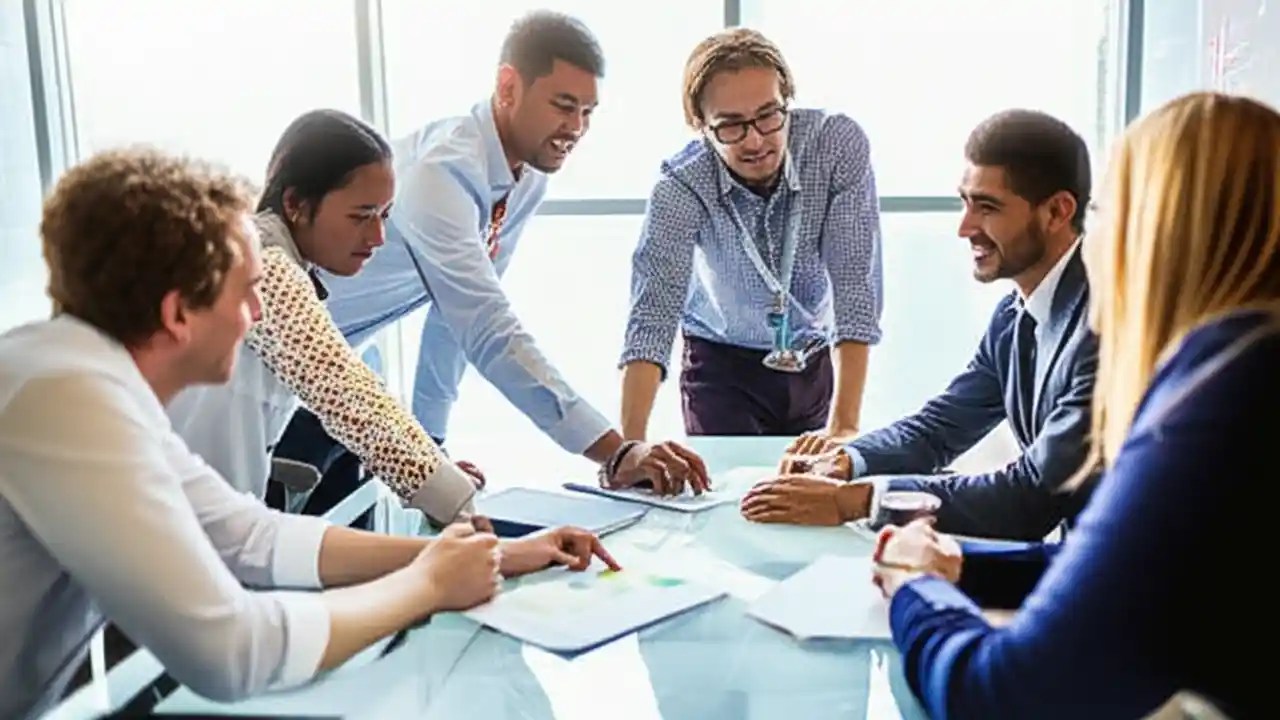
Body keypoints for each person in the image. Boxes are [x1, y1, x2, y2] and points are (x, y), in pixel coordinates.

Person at [0, 148, 616, 719]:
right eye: (247, 294)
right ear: (177, 313)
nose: (261, 315)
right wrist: (425, 586)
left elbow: (248, 534)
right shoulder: (66, 397)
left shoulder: (85, 383)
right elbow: (231, 651)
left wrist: (496, 554)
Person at [870, 90, 1273, 720]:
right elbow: (1133, 571)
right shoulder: (1248, 363)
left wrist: (915, 589)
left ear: (1164, 232)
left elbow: (1002, 695)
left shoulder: (1224, 392)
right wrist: (958, 566)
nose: (1097, 237)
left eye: (1111, 211)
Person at [317, 10, 708, 496]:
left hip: (332, 362)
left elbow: (452, 324)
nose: (576, 128)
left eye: (588, 111)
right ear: (508, 87)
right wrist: (617, 449)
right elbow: (487, 328)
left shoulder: (527, 179)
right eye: (563, 105)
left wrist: (431, 448)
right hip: (269, 349)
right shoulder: (443, 172)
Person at [742, 109, 1098, 540]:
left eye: (987, 207)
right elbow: (938, 429)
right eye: (965, 202)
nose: (965, 228)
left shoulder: (1102, 329)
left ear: (1057, 211)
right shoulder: (1012, 318)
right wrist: (846, 461)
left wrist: (856, 500)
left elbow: (1028, 498)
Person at [166, 109, 481, 527]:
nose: (377, 238)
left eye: (384, 216)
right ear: (296, 203)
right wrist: (459, 504)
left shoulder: (274, 256)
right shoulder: (262, 263)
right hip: (188, 526)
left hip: (210, 519)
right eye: (360, 216)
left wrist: (436, 468)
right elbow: (344, 392)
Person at [618, 28, 883, 440]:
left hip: (811, 357)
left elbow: (855, 286)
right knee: (727, 492)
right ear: (701, 126)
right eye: (731, 126)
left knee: (811, 490)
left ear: (786, 100)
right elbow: (653, 314)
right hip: (722, 367)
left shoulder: (835, 146)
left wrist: (845, 426)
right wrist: (630, 446)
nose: (756, 139)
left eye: (768, 115)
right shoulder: (681, 183)